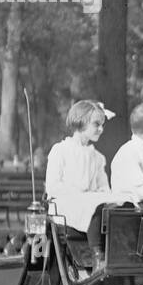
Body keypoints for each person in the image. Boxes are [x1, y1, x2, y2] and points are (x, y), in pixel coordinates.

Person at [45, 100, 124, 261]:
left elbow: (103, 188)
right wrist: (81, 195)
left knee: (121, 200)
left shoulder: (97, 157)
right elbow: (53, 187)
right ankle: (98, 256)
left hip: (90, 201)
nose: (101, 129)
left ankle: (121, 251)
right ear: (81, 122)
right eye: (96, 124)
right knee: (93, 205)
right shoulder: (61, 150)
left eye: (102, 125)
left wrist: (103, 196)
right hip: (65, 202)